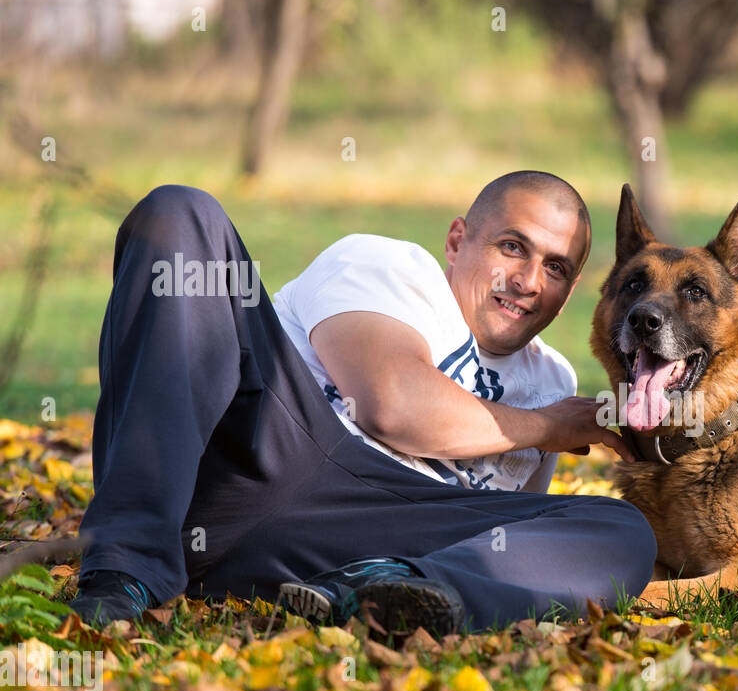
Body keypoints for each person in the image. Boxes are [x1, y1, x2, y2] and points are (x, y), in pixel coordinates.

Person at [70, 172, 655, 635]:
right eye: (511, 247)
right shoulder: (387, 266)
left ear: (571, 288)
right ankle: (126, 567)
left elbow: (502, 533)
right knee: (181, 214)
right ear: (457, 240)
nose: (528, 280)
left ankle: (385, 594)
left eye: (555, 267)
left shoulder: (552, 376)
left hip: (371, 539)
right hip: (268, 447)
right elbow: (391, 405)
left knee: (620, 529)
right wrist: (549, 425)